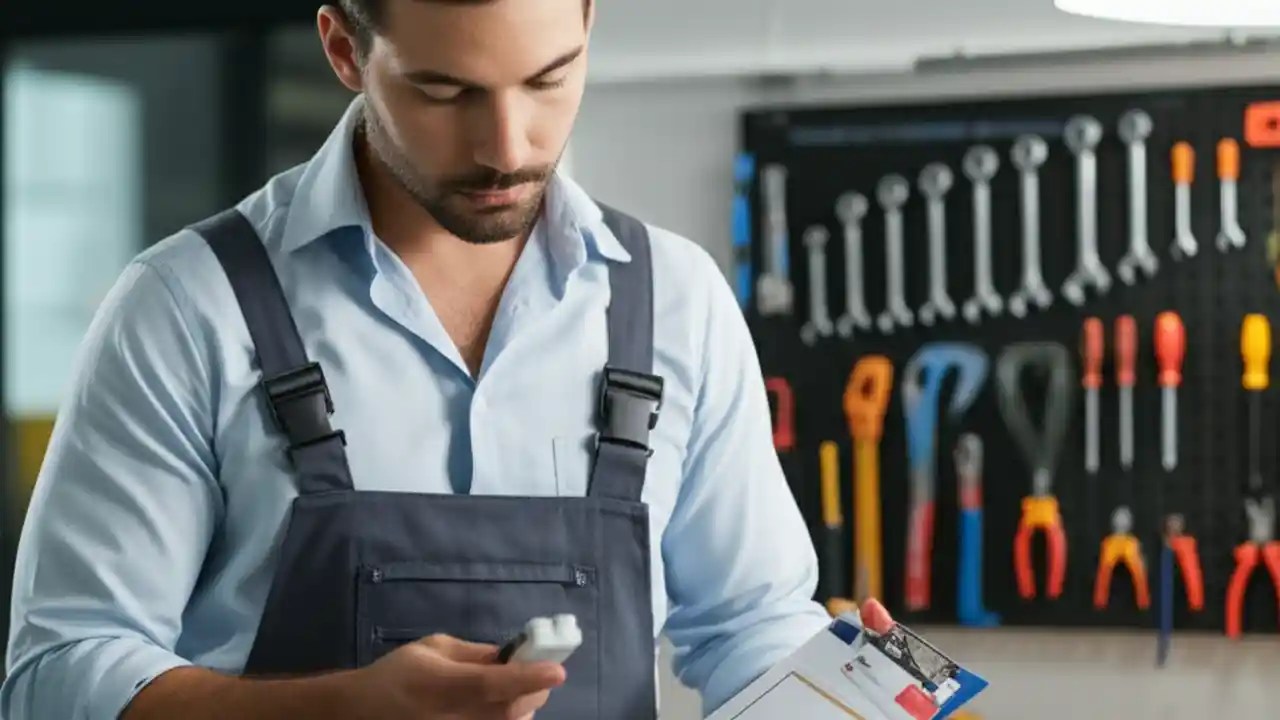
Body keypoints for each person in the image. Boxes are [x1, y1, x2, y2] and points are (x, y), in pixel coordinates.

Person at [1, 1, 893, 718]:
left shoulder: (679, 305)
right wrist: (339, 711)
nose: (507, 146)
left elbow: (751, 626)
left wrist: (838, 696)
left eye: (548, 80)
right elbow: (59, 676)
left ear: (589, 22)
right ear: (345, 49)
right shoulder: (184, 309)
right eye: (443, 91)